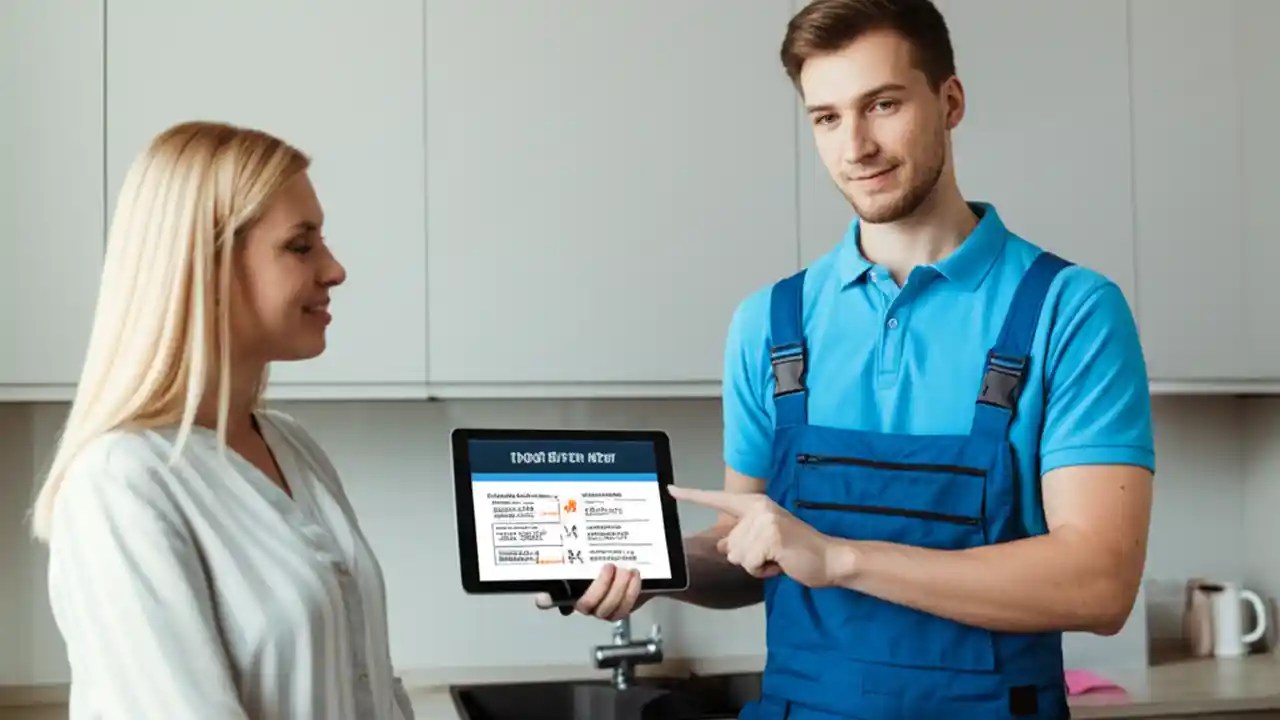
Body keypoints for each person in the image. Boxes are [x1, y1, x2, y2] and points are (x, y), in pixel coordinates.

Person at [540, 1, 1155, 718]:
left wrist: (840, 558)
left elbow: (1098, 585)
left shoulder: (1069, 311)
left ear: (950, 101)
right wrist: (653, 565)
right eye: (826, 117)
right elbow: (752, 541)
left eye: (883, 104)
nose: (855, 146)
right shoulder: (770, 325)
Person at [29, 121, 416, 720]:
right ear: (204, 266)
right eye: (300, 245)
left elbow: (371, 686)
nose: (334, 269)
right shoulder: (120, 484)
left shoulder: (293, 447)